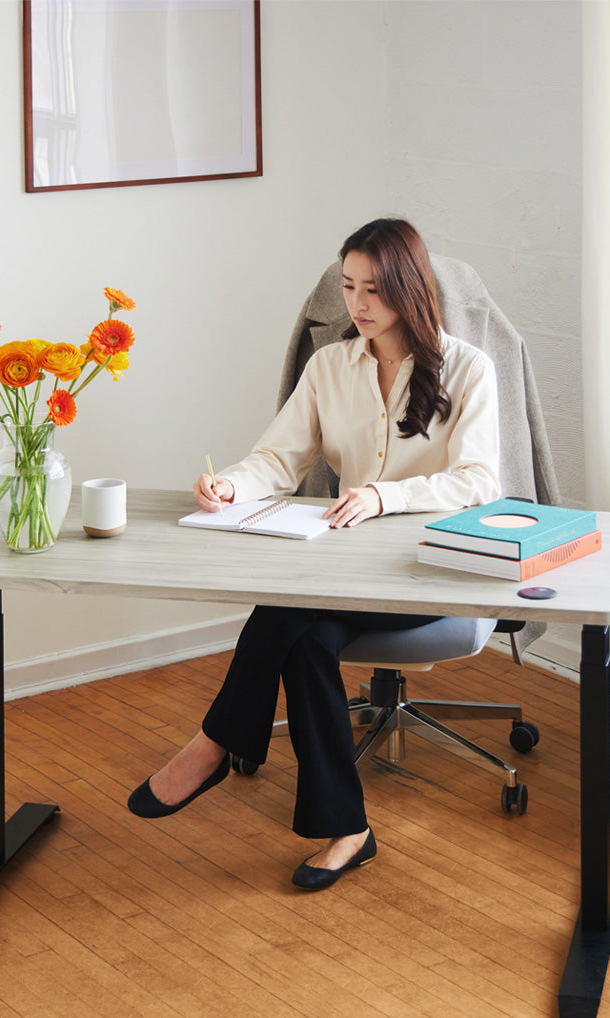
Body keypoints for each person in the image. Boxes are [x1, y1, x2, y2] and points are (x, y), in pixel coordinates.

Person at [128, 218, 502, 890]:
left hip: (428, 574)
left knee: (286, 614)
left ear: (410, 292)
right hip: (346, 575)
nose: (357, 305)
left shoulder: (469, 369)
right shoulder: (330, 365)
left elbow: (479, 482)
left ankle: (215, 742)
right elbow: (279, 456)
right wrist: (229, 484)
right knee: (302, 638)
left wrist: (385, 497)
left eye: (373, 291)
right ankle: (347, 829)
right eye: (349, 287)